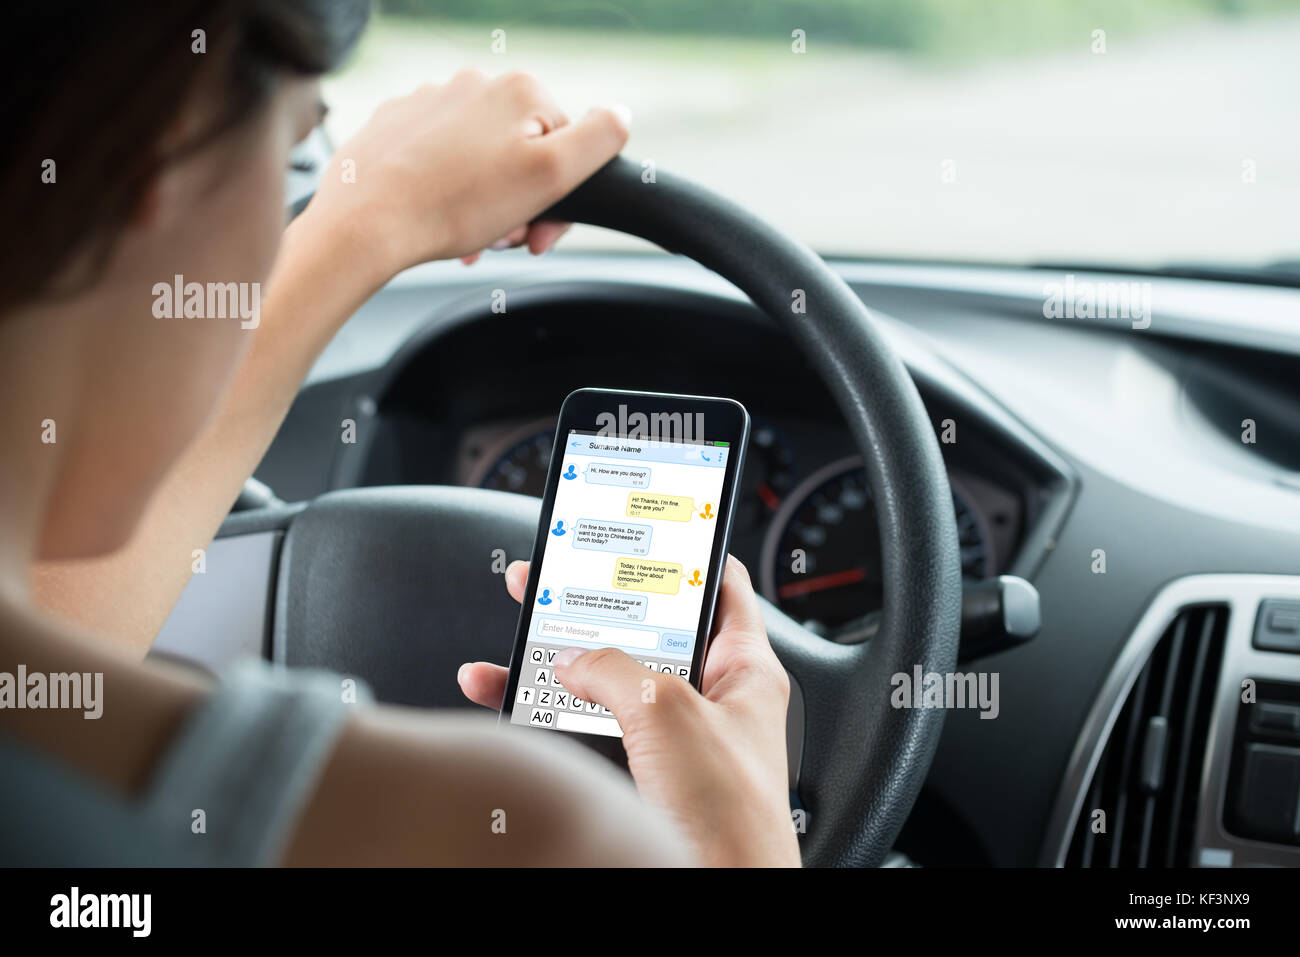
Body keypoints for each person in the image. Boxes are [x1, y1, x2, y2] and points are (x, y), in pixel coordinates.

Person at [0, 0, 800, 867]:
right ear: (169, 157)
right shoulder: (532, 836)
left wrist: (363, 220)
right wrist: (738, 842)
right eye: (294, 149)